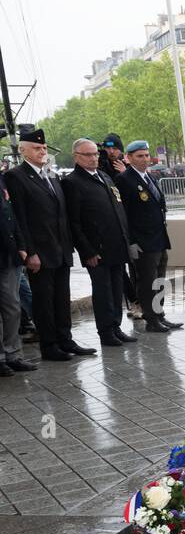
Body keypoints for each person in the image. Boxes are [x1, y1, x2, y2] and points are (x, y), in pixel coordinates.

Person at [4, 127, 96, 361]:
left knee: (61, 299)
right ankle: (50, 345)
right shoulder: (17, 176)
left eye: (44, 148)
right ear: (23, 150)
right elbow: (21, 218)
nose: (41, 151)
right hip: (40, 252)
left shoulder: (52, 175)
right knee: (44, 302)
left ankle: (66, 339)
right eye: (36, 148)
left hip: (61, 249)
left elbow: (62, 213)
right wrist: (30, 252)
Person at [62, 138, 136, 347]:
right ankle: (105, 331)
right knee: (103, 292)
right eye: (88, 154)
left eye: (96, 154)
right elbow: (74, 222)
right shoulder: (72, 182)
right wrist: (87, 251)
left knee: (116, 289)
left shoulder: (104, 176)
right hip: (97, 249)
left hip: (116, 245)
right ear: (77, 156)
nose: (94, 158)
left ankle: (116, 327)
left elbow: (117, 209)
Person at [115, 141, 183, 333]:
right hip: (142, 241)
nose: (144, 159)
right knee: (147, 282)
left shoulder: (149, 177)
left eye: (146, 155)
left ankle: (159, 314)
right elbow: (124, 214)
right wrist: (131, 242)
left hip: (159, 238)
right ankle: (151, 319)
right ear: (128, 158)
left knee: (160, 279)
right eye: (139, 156)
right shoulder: (124, 180)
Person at [0, 172, 38, 376]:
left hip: (8, 256)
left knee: (12, 306)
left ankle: (13, 354)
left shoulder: (2, 180)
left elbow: (11, 215)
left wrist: (21, 245)